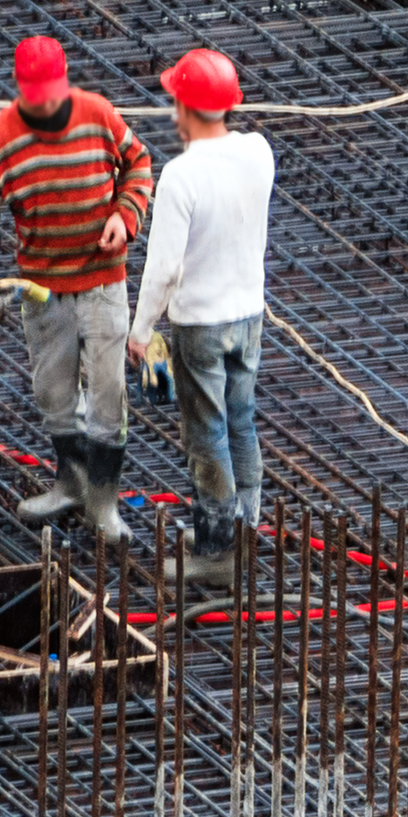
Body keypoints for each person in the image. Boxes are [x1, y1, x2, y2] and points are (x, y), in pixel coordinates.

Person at [0, 34, 152, 538]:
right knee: (54, 391)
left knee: (108, 394)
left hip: (103, 281)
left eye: (53, 90)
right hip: (42, 288)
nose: (46, 102)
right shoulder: (0, 138)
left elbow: (139, 166)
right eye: (35, 93)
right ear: (20, 88)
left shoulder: (98, 114)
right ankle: (71, 483)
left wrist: (124, 218)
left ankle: (103, 504)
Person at [128, 49, 275, 591]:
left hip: (202, 326)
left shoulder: (181, 176)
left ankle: (217, 551)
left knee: (206, 432)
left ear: (187, 106)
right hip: (249, 317)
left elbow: (164, 269)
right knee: (242, 419)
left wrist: (140, 332)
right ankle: (246, 532)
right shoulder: (259, 152)